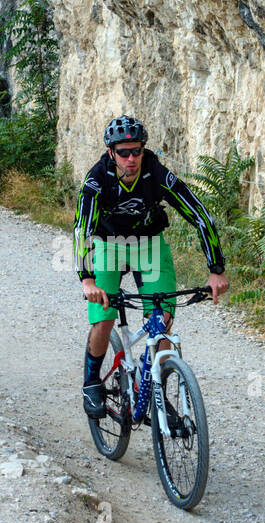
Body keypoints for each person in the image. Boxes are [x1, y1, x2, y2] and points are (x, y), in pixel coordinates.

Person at [76, 115, 229, 418]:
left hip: (149, 244)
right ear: (111, 153)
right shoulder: (97, 180)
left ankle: (157, 391)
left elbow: (199, 214)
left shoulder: (156, 173)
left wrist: (216, 269)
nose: (131, 159)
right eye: (123, 153)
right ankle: (92, 382)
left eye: (137, 151)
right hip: (107, 244)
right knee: (104, 316)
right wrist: (87, 279)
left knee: (163, 319)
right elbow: (83, 229)